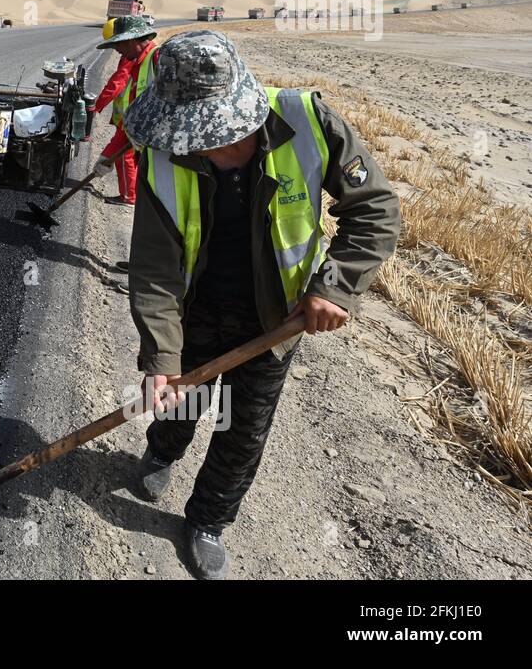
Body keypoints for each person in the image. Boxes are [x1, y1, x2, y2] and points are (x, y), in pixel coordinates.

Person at [121, 29, 400, 580]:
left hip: (278, 315)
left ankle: (208, 520)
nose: (191, 144)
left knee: (245, 429)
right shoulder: (163, 156)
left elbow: (375, 209)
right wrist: (160, 357)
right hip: (197, 305)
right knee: (181, 396)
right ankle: (162, 451)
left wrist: (334, 287)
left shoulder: (308, 122)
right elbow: (154, 269)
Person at [92, 16, 158, 206]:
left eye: (118, 45)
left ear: (130, 40)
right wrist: (107, 156)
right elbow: (134, 123)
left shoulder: (158, 58)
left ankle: (130, 197)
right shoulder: (137, 62)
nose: (117, 50)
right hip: (138, 134)